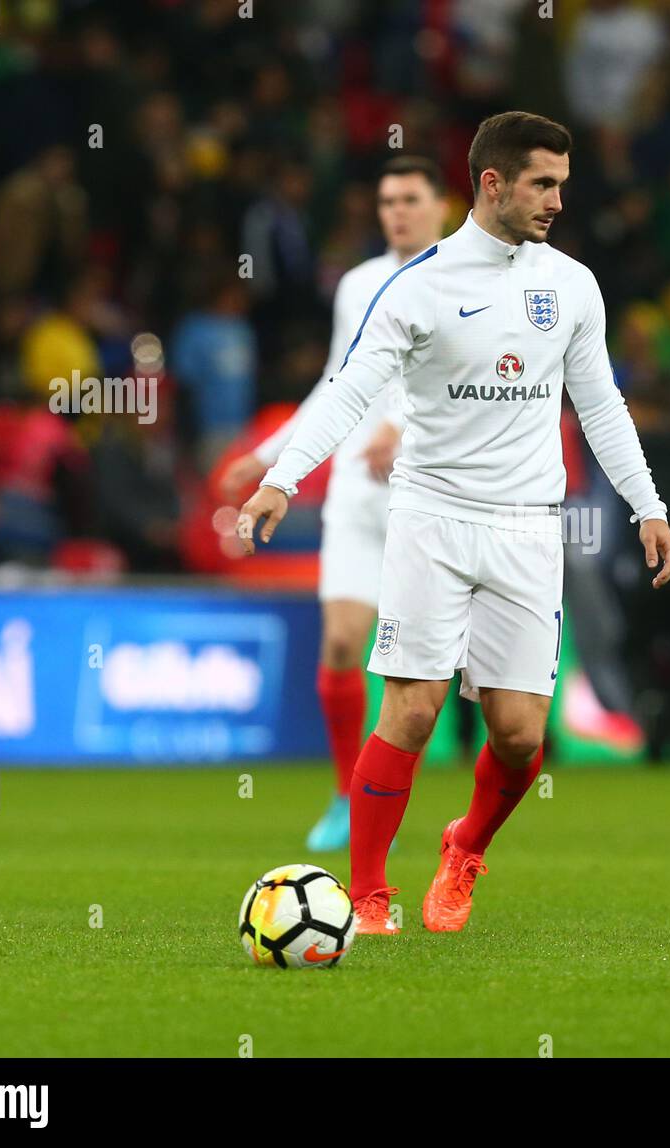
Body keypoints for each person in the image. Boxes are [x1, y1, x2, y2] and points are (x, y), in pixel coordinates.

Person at [237, 111, 670, 934]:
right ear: (492, 183)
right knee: (410, 709)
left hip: (527, 527)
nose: (556, 201)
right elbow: (350, 388)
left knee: (518, 737)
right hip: (432, 516)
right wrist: (283, 478)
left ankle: (464, 844)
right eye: (543, 184)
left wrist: (647, 505)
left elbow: (602, 404)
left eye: (562, 185)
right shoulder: (421, 286)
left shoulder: (573, 286)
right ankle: (367, 898)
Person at [221, 156, 448, 851]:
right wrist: (270, 457)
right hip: (357, 488)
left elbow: (467, 384)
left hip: (436, 487)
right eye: (386, 201)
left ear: (445, 205)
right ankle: (348, 796)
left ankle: (443, 810)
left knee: (433, 671)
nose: (397, 212)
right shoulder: (358, 284)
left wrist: (402, 424)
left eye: (410, 198)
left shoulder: (467, 281)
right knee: (345, 642)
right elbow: (337, 383)